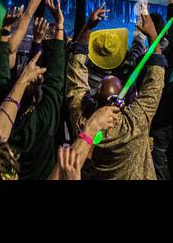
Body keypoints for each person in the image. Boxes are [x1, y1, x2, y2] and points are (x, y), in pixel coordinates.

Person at [66, 22, 166, 180]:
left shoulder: (84, 123)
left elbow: (76, 78)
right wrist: (153, 34)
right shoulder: (133, 124)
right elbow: (156, 80)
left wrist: (86, 28)